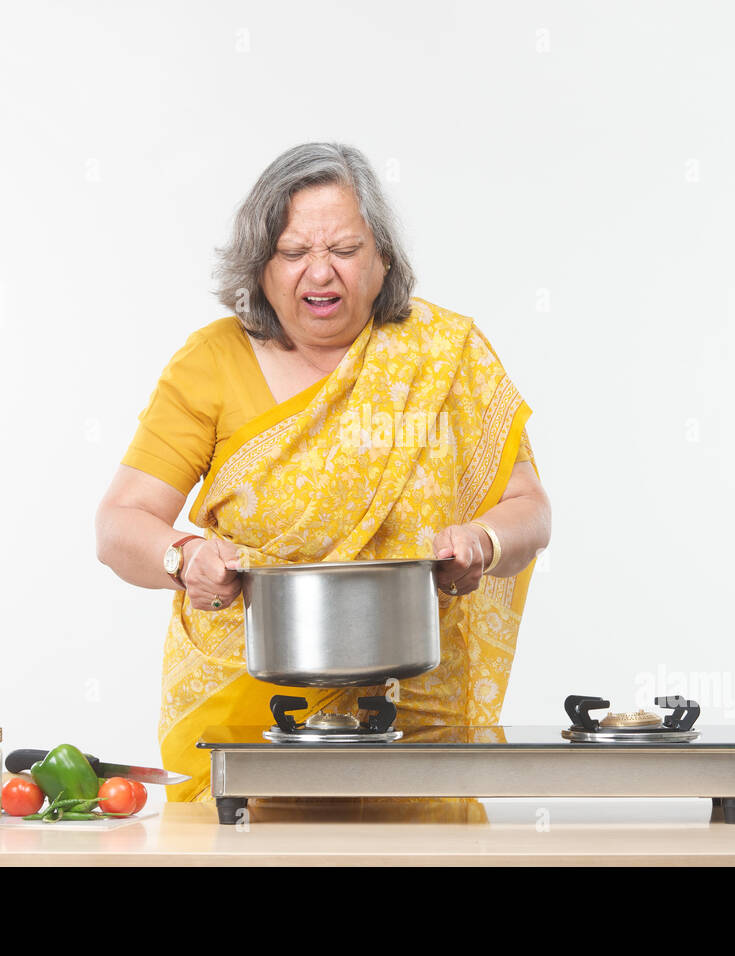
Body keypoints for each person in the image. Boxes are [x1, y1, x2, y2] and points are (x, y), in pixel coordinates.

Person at [95, 142, 552, 802]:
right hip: (246, 713)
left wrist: (485, 539)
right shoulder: (211, 363)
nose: (321, 272)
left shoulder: (445, 354)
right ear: (260, 265)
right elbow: (118, 524)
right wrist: (183, 557)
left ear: (383, 259)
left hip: (417, 720)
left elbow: (531, 508)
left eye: (344, 249)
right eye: (293, 252)